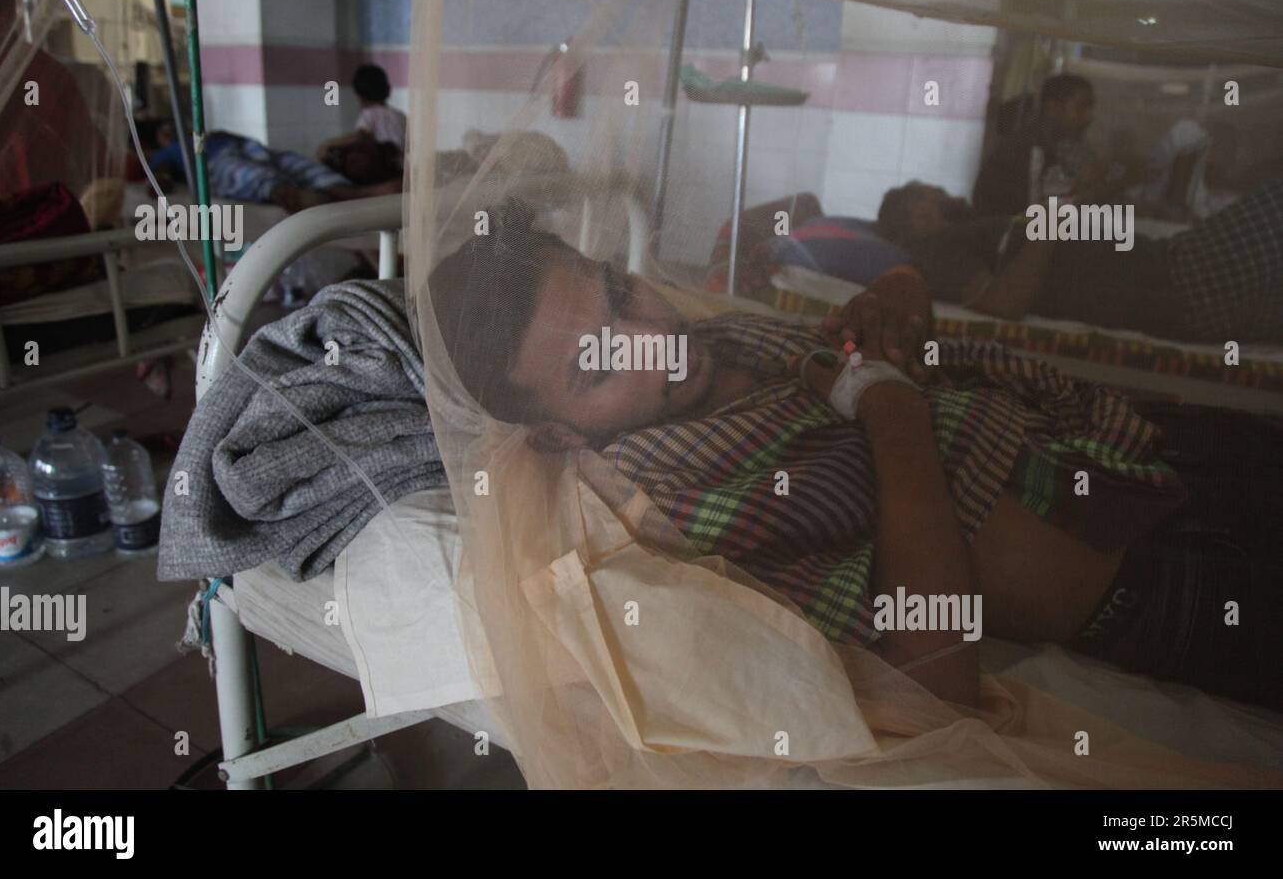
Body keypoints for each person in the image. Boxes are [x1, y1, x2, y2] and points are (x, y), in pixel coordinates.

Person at [426, 199, 1282, 710]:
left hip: (1150, 446)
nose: (654, 339)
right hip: (1170, 575)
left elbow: (869, 358)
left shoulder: (727, 343)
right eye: (598, 364)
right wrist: (891, 410)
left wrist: (900, 294)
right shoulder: (670, 496)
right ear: (559, 434)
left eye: (620, 292)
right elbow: (936, 668)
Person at [876, 179, 1283, 342]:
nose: (945, 192)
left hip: (1179, 269)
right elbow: (1005, 303)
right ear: (918, 214)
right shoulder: (934, 253)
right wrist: (1049, 223)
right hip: (1186, 281)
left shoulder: (966, 234)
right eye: (932, 191)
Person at [972, 74, 1135, 217]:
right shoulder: (1028, 150)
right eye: (1081, 107)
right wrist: (1100, 185)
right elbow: (1038, 216)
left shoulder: (1054, 150)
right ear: (1054, 108)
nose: (1089, 117)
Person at [146, 122, 398, 213]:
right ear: (156, 141)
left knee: (301, 166)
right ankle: (300, 198)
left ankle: (358, 194)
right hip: (215, 163)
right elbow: (160, 174)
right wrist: (160, 181)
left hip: (251, 148)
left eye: (170, 125)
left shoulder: (202, 134)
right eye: (163, 131)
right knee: (260, 178)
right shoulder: (166, 154)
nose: (170, 129)